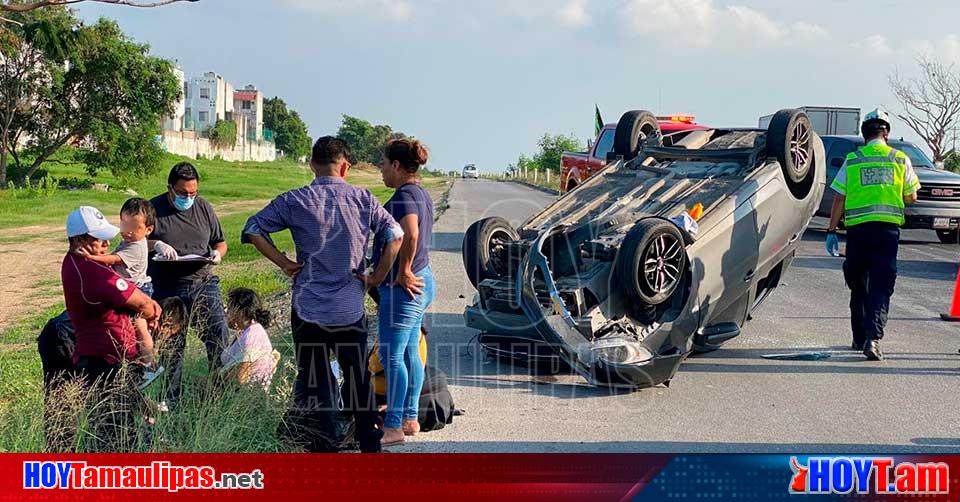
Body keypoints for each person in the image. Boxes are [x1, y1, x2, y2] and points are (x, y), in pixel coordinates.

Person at [242, 136, 404, 453]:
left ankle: (324, 448)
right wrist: (376, 276)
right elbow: (396, 235)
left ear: (312, 165)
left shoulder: (294, 200)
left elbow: (253, 229)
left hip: (307, 307)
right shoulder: (364, 199)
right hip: (349, 308)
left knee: (315, 380)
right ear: (344, 166)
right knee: (358, 377)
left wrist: (284, 262)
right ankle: (370, 445)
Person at [61, 206, 162, 451]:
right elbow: (143, 305)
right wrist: (153, 311)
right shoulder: (92, 272)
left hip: (107, 359)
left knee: (120, 425)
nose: (107, 242)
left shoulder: (79, 262)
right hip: (105, 363)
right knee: (117, 433)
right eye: (99, 237)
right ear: (79, 240)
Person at [826, 108, 920, 361]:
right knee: (880, 285)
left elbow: (839, 197)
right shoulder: (900, 159)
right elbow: (911, 196)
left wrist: (831, 230)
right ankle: (873, 339)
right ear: (886, 133)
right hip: (887, 232)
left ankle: (858, 337)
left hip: (857, 232)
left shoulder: (854, 159)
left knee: (857, 285)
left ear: (864, 134)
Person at [366, 138, 436, 446]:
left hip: (405, 287)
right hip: (421, 281)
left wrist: (404, 270)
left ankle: (393, 427)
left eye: (383, 164)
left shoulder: (405, 195)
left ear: (396, 166)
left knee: (393, 357)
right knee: (409, 354)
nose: (381, 170)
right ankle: (409, 418)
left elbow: (411, 233)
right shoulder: (420, 192)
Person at [148, 162, 229, 403]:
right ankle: (170, 400)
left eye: (193, 193)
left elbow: (220, 241)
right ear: (170, 188)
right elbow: (136, 240)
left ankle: (220, 393)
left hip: (202, 281)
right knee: (171, 347)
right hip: (167, 285)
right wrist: (157, 245)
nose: (189, 197)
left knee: (218, 336)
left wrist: (218, 254)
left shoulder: (203, 207)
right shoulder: (153, 208)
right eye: (183, 193)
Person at [82, 198, 164, 367]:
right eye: (124, 225)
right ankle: (137, 360)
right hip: (129, 287)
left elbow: (114, 258)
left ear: (148, 229)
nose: (127, 231)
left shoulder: (135, 247)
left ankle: (149, 364)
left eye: (134, 228)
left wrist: (92, 258)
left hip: (139, 289)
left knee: (140, 327)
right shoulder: (130, 241)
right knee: (130, 327)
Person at [219, 288, 280, 391]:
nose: (226, 313)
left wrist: (218, 378)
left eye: (229, 308)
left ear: (241, 312)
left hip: (244, 396)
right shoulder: (245, 332)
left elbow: (240, 378)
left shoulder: (252, 336)